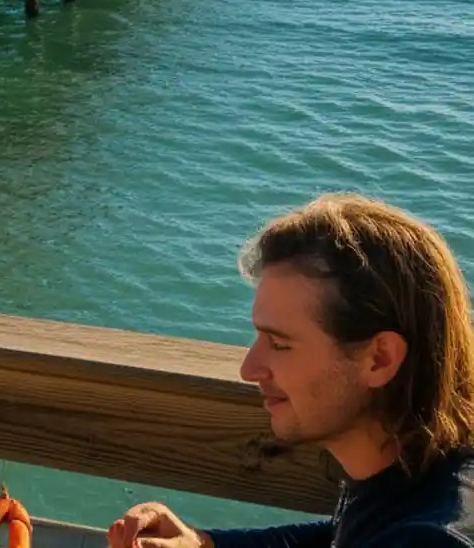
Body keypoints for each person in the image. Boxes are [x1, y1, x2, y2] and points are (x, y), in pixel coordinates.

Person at [107, 193, 474, 548]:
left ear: (379, 359)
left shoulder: (434, 537)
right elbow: (339, 535)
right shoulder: (413, 482)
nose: (249, 369)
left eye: (280, 344)